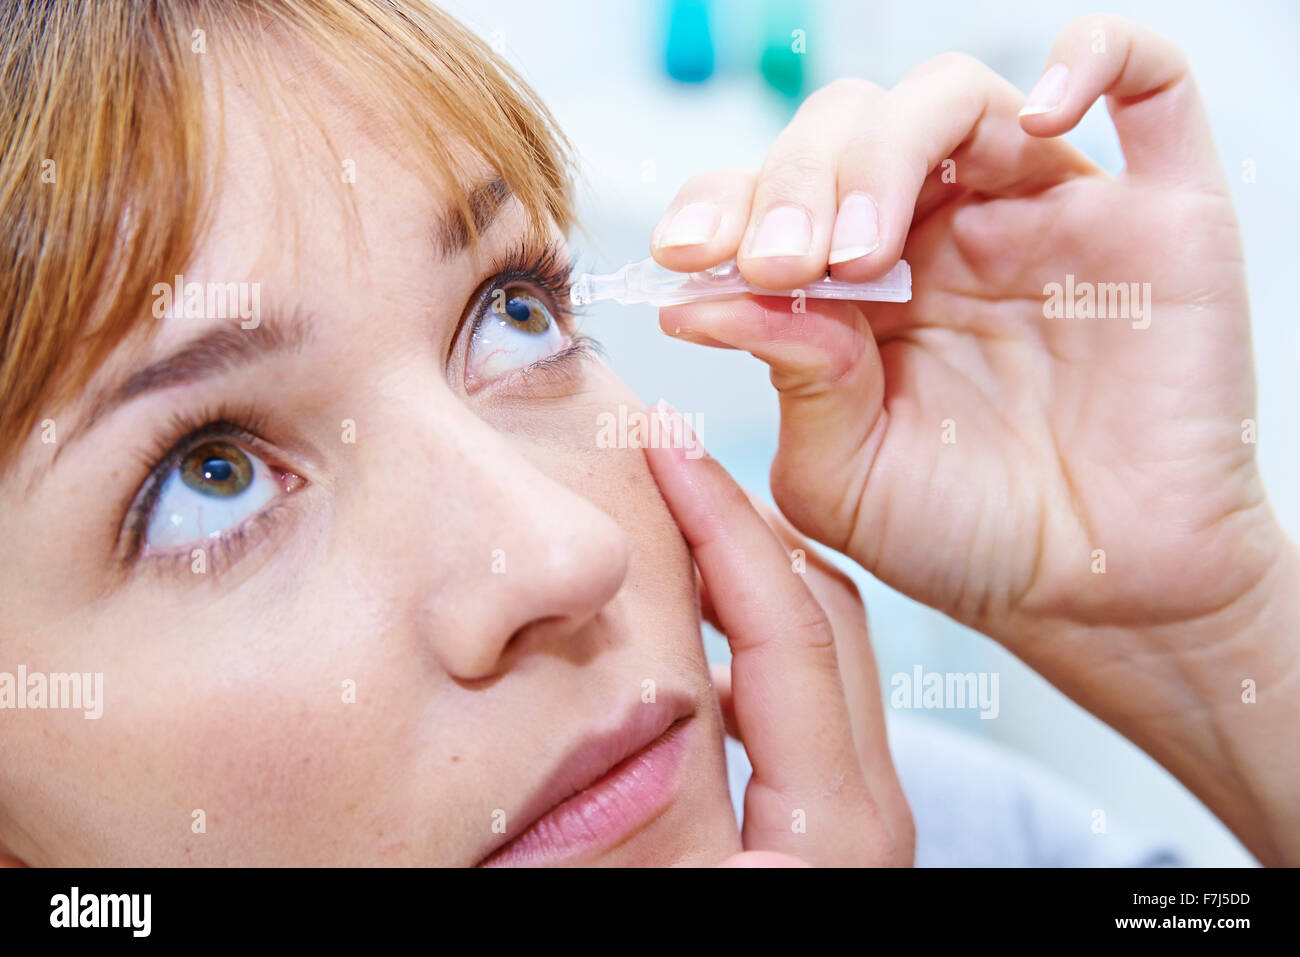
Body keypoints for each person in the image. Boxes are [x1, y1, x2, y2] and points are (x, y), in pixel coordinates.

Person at [0, 0, 1289, 867]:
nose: (565, 554)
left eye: (513, 314)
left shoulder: (936, 822)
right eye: (209, 475)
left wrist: (1201, 630)